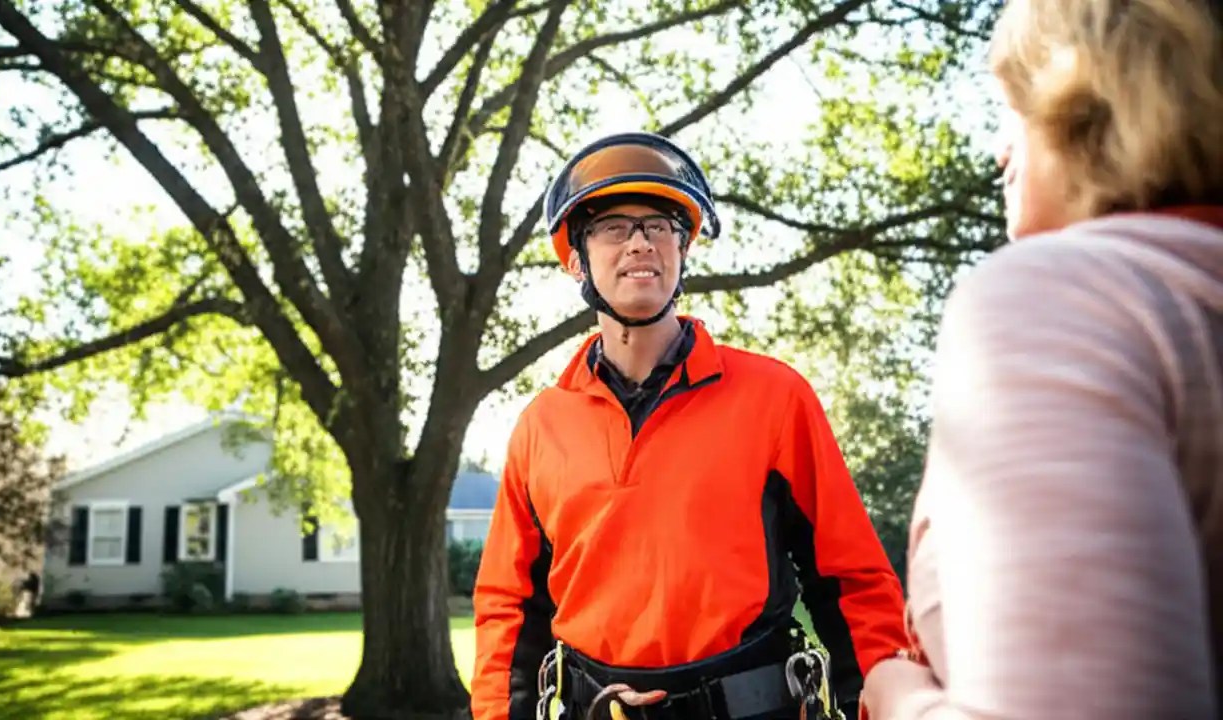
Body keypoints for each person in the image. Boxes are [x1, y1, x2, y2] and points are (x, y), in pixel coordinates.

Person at [861, 0, 1223, 718]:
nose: (1001, 153)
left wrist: (899, 696)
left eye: (1012, 111)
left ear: (1083, 113)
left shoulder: (1060, 296)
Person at [471, 131, 909, 720]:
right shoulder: (539, 427)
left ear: (683, 250)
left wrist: (880, 703)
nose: (640, 243)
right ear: (576, 259)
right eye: (613, 228)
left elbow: (851, 578)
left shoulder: (775, 396)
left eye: (659, 226)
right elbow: (508, 607)